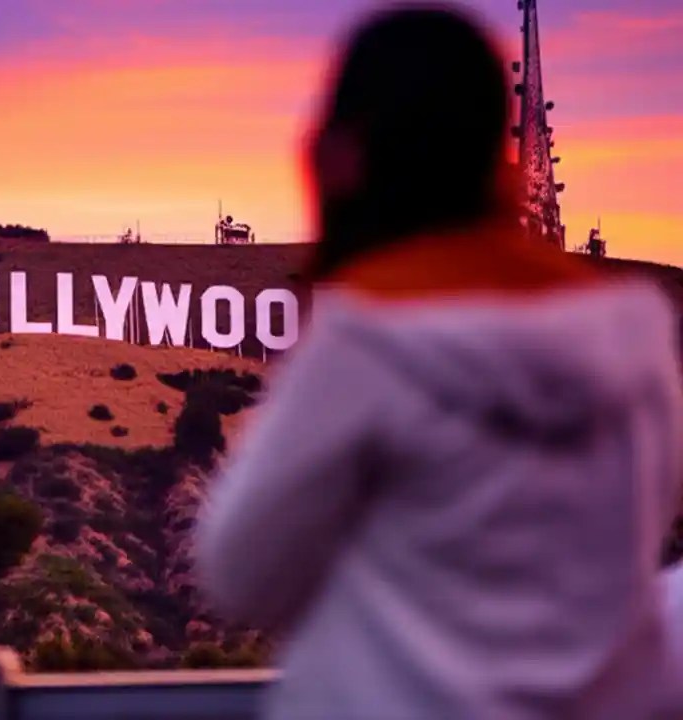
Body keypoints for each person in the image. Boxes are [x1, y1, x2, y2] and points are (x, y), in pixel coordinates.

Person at [193, 5, 683, 719]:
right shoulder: (635, 348)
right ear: (499, 159)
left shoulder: (367, 341)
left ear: (340, 158)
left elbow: (240, 573)